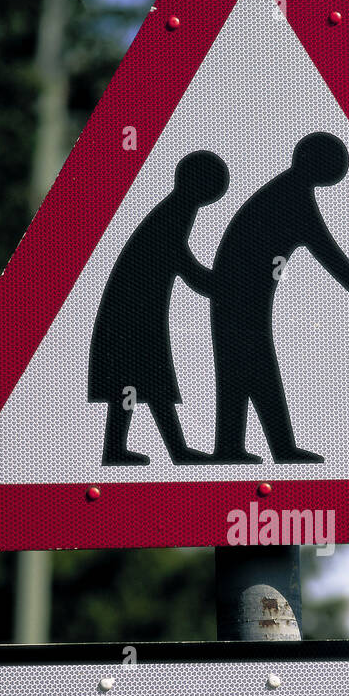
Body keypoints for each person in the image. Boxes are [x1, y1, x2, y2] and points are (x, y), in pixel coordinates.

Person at [208, 132, 349, 463]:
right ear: (316, 163)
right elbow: (330, 255)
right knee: (251, 369)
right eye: (334, 163)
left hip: (239, 295)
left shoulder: (289, 191)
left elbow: (327, 253)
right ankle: (257, 448)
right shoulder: (293, 198)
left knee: (247, 369)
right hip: (238, 296)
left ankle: (241, 447)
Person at [88, 149, 229, 465]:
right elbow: (183, 262)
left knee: (142, 381)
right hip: (134, 312)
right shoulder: (174, 213)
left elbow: (180, 262)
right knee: (144, 380)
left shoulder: (176, 209)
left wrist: (213, 283)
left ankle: (136, 449)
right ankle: (153, 450)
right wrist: (223, 286)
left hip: (138, 309)